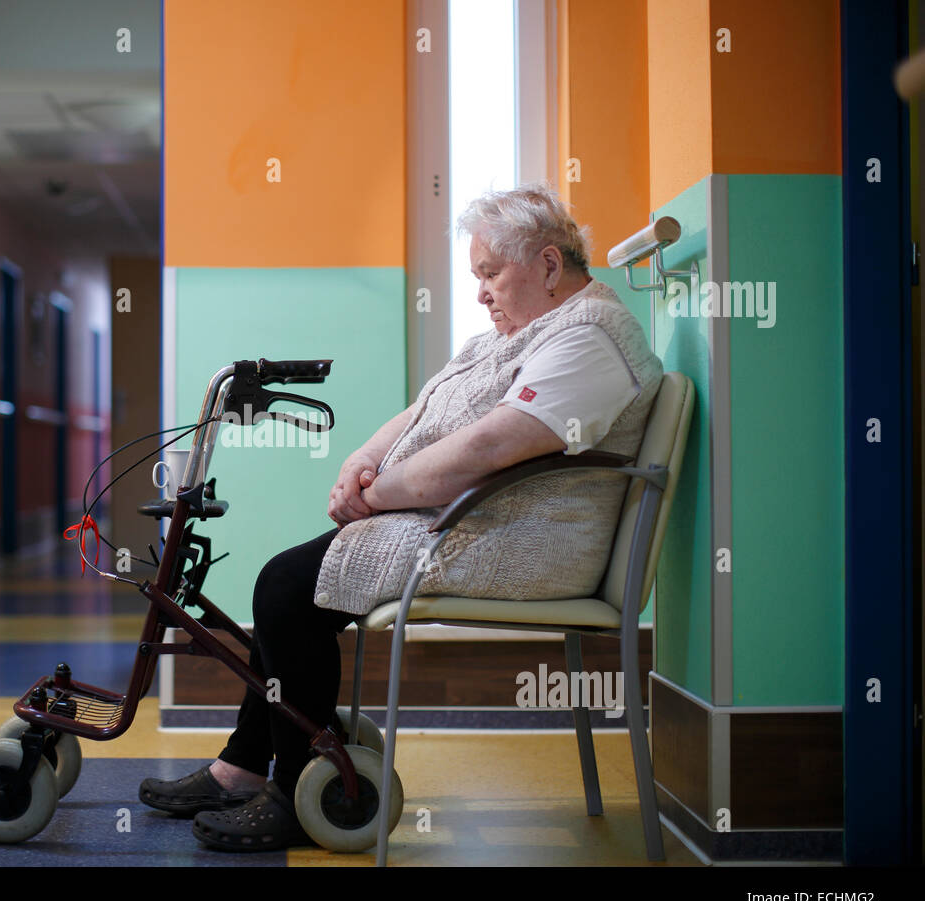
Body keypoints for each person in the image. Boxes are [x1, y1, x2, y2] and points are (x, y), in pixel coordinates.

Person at [140, 183, 664, 851]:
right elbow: (423, 411)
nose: (480, 292)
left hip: (521, 539)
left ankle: (290, 791)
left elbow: (493, 445)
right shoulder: (521, 332)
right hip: (473, 519)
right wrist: (359, 463)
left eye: (489, 273)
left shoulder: (590, 338)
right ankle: (242, 767)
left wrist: (377, 495)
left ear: (550, 265)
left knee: (284, 589)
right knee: (287, 589)